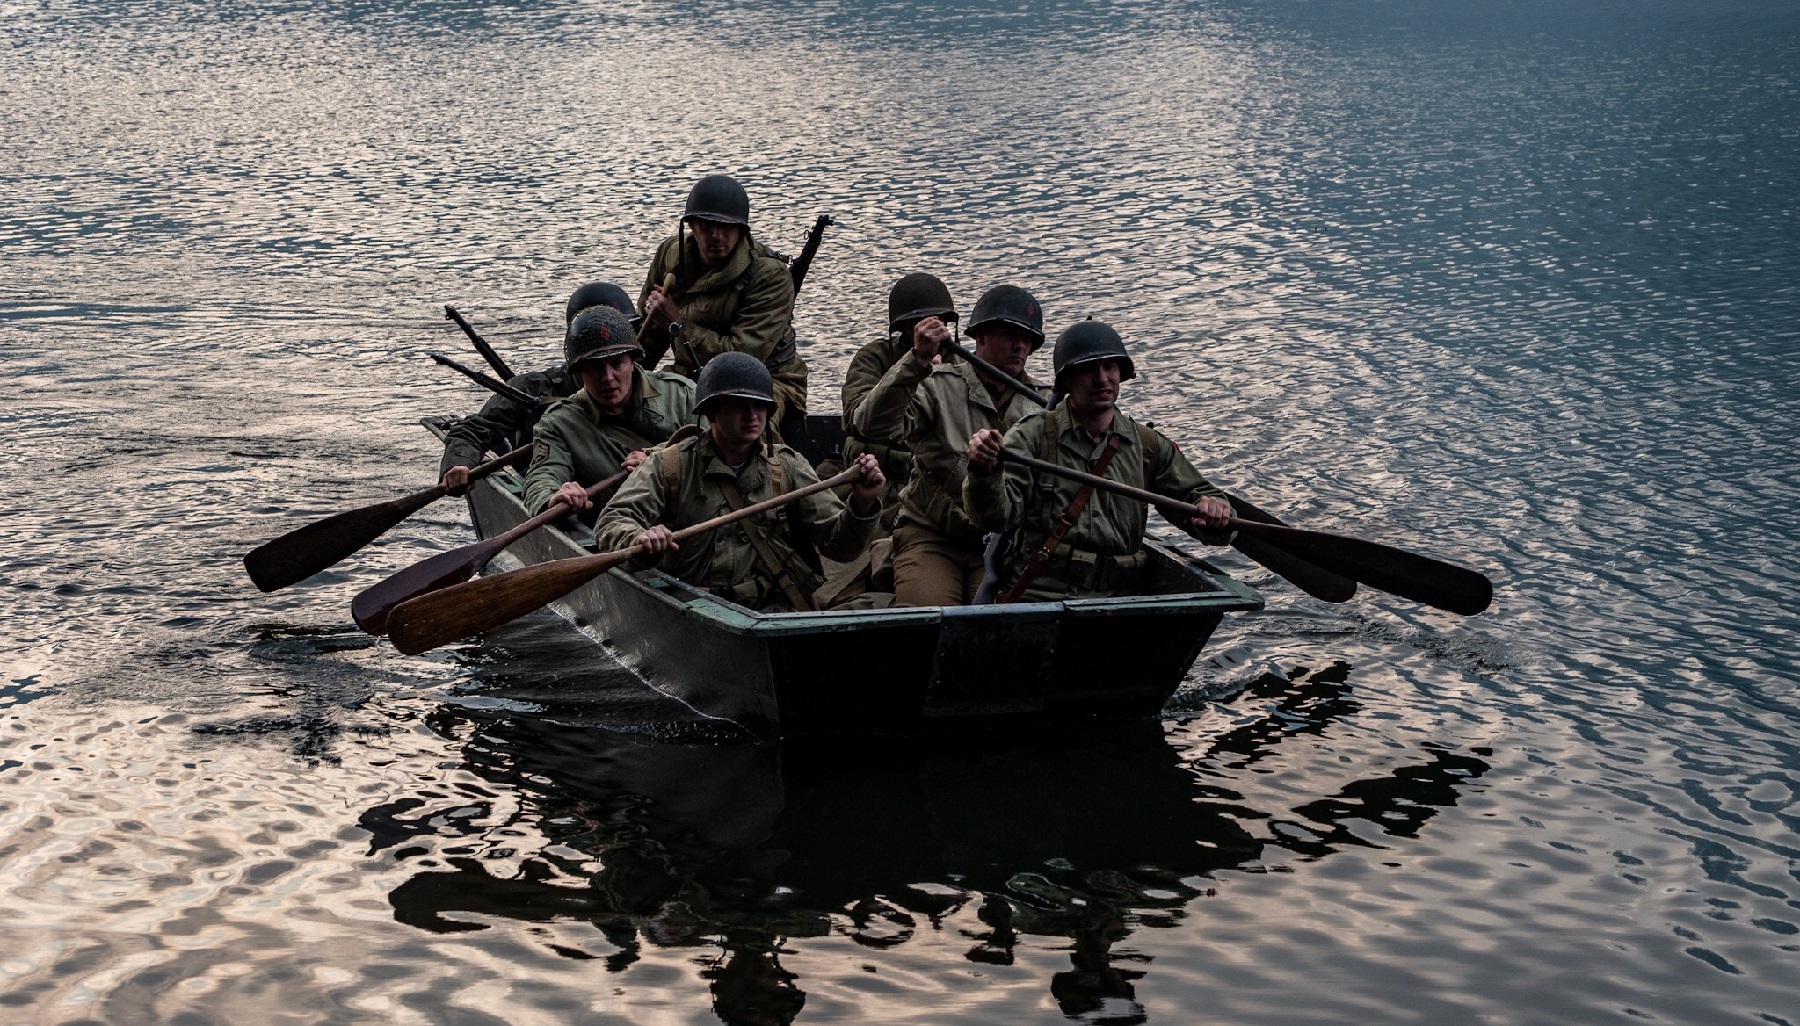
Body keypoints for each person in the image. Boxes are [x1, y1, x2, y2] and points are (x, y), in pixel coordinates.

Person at [963, 319, 1233, 602]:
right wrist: (985, 470)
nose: (1102, 378)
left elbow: (1200, 500)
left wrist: (1215, 512)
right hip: (1042, 598)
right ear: (1067, 379)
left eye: (1110, 367)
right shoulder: (1033, 436)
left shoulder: (1148, 446)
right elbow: (993, 517)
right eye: (1089, 370)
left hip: (1121, 600)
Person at [593, 352, 885, 612]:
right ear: (711, 412)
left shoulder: (788, 466)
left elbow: (840, 547)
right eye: (737, 406)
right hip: (691, 609)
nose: (751, 416)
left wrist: (862, 503)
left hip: (772, 610)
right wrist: (640, 539)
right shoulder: (670, 466)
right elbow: (613, 520)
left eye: (759, 405)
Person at [856, 285, 1053, 607]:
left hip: (1004, 544)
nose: (1020, 345)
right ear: (980, 337)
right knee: (928, 619)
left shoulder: (1044, 407)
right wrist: (916, 360)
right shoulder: (936, 385)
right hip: (932, 535)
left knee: (999, 622)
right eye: (1009, 334)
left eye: (1028, 339)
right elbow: (872, 426)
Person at [636, 174, 807, 440]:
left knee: (743, 430)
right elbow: (645, 340)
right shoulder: (671, 256)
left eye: (726, 227)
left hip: (766, 380)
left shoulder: (769, 276)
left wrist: (677, 325)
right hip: (690, 372)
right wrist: (625, 377)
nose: (716, 235)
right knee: (638, 409)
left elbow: (742, 359)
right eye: (707, 225)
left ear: (741, 229)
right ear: (691, 224)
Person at [438, 281, 637, 493]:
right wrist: (458, 465)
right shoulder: (534, 388)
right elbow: (476, 429)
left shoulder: (648, 386)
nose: (608, 376)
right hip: (551, 493)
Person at [520, 305, 697, 521]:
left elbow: (722, 453)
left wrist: (661, 463)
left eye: (617, 364)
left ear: (633, 361)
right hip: (621, 530)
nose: (608, 377)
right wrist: (554, 498)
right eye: (595, 368)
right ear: (579, 373)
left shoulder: (683, 396)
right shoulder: (559, 423)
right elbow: (542, 475)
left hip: (696, 519)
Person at [839, 273, 958, 524]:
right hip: (874, 475)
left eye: (939, 320)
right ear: (903, 327)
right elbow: (856, 418)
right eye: (919, 323)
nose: (930, 329)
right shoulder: (875, 357)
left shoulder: (962, 367)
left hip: (934, 483)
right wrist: (916, 366)